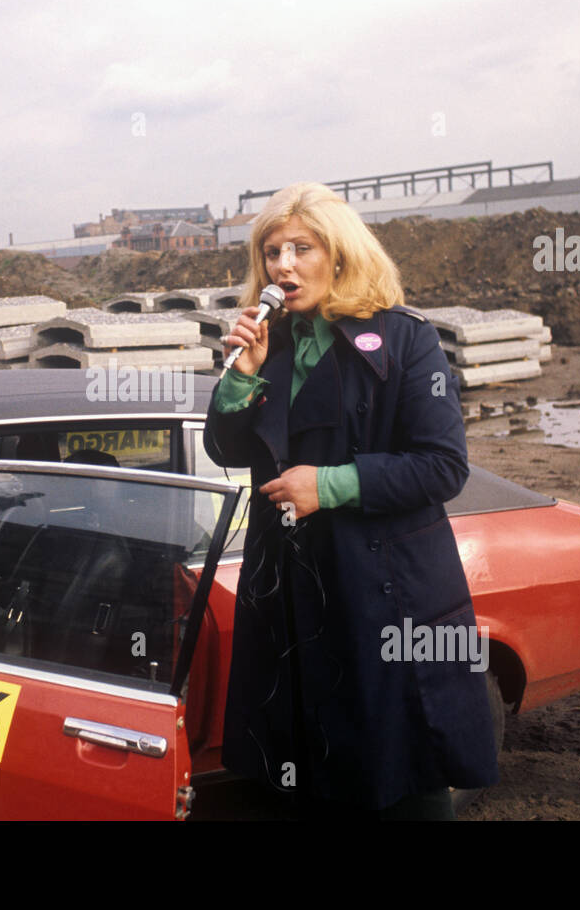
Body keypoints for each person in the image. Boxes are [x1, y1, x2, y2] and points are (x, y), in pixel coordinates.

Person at [204, 181, 498, 820]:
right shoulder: (269, 344)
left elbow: (442, 466)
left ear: (339, 254)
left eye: (301, 248)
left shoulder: (405, 339)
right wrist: (242, 376)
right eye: (272, 251)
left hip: (382, 592)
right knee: (299, 768)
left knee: (397, 771)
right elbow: (224, 449)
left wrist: (329, 484)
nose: (283, 265)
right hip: (287, 588)